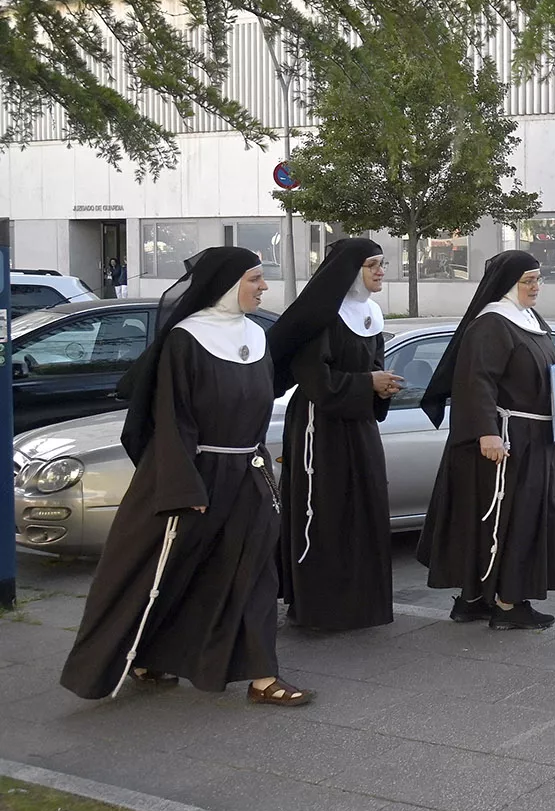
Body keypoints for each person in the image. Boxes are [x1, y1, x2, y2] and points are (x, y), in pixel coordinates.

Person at [60, 247, 313, 706]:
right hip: (196, 475)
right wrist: (183, 485)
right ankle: (144, 655)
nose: (264, 288)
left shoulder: (254, 337)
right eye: (255, 279)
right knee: (170, 572)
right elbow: (172, 419)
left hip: (247, 471)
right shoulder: (186, 340)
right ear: (226, 285)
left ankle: (262, 677)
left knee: (256, 571)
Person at [416, 251, 555, 630]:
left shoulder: (528, 319)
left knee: (503, 520)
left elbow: (532, 368)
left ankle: (474, 601)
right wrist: (485, 432)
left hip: (534, 437)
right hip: (507, 439)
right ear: (509, 284)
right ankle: (506, 605)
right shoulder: (492, 324)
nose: (536, 287)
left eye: (538, 279)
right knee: (510, 520)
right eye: (528, 281)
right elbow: (477, 382)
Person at [268, 238, 403, 631]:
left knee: (365, 507)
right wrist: (369, 383)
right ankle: (320, 608)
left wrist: (382, 386)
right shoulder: (322, 316)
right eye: (372, 265)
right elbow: (316, 382)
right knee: (325, 510)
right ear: (349, 271)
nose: (380, 272)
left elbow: (371, 368)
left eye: (382, 264)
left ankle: (361, 605)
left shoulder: (371, 313)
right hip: (319, 427)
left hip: (358, 423)